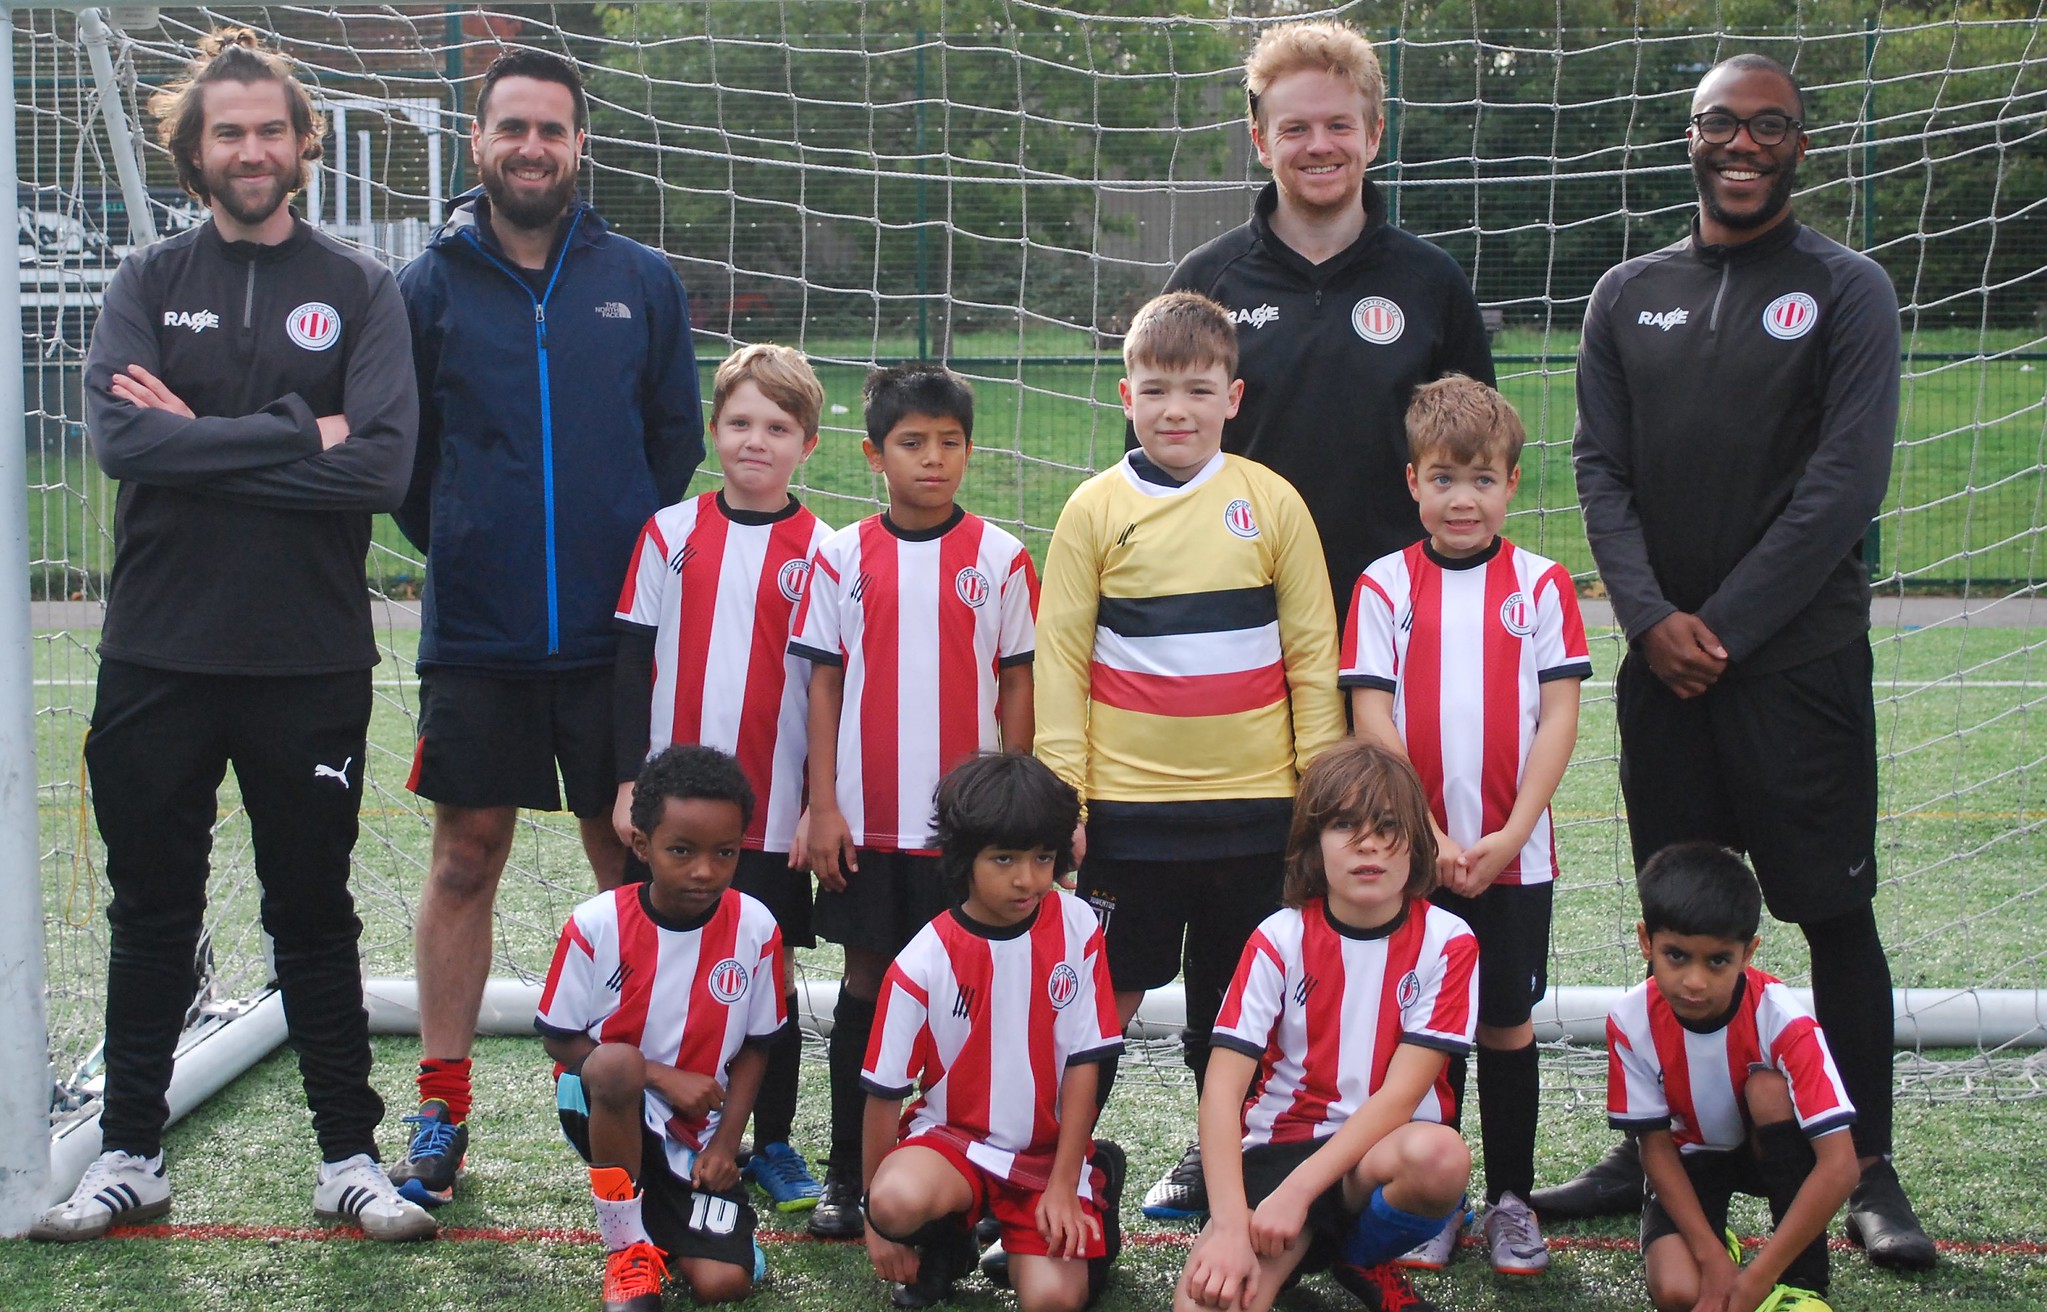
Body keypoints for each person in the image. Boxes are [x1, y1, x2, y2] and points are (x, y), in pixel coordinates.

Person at [31, 29, 433, 1243]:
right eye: (228, 132)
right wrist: (292, 433)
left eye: (271, 129)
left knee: (310, 909)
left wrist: (213, 440)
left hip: (308, 658)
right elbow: (122, 445)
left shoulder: (361, 287)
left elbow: (381, 464)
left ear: (304, 141)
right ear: (193, 150)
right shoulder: (145, 281)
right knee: (152, 909)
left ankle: (346, 1157)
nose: (251, 150)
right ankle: (133, 1154)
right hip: (156, 648)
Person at [1554, 52, 1934, 1270]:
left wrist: (1720, 629)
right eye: (1721, 123)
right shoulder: (1625, 292)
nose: (1742, 144)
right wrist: (1649, 619)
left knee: (1830, 911)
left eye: (1768, 127)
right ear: (1690, 137)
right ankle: (1653, 1143)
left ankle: (1862, 1161)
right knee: (1680, 914)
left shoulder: (1848, 288)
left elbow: (1844, 484)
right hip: (1659, 666)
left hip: (1796, 667)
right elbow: (1597, 471)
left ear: (1798, 147)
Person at [391, 47, 704, 1205]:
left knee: (630, 863)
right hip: (478, 632)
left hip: (621, 638)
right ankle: (442, 1106)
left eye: (551, 130)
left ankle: (625, 1090)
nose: (531, 147)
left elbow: (672, 440)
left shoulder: (641, 280)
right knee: (465, 856)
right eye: (510, 127)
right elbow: (407, 466)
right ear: (479, 143)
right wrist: (474, 540)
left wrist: (616, 557)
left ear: (580, 145)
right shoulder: (424, 287)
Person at [1035, 291, 1343, 1221]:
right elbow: (1061, 658)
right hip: (1128, 816)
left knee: (1235, 1012)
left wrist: (1317, 794)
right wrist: (1066, 799)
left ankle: (1232, 1175)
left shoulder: (1270, 502)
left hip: (1257, 813)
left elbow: (1311, 656)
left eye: (1198, 389)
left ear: (1233, 397)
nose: (1178, 409)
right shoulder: (1093, 511)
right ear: (1124, 394)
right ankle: (1057, 1169)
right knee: (1103, 1003)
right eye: (1157, 389)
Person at [1342, 374, 1589, 1274]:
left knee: (1505, 1025)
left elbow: (1558, 715)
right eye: (1444, 478)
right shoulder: (1381, 586)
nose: (1462, 498)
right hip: (1416, 859)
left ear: (1512, 486)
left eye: (1482, 479)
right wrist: (1430, 840)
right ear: (1413, 482)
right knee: (1425, 1030)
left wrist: (1513, 832)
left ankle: (1511, 1200)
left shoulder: (1542, 584)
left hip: (1513, 859)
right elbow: (1372, 714)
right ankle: (1435, 1203)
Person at [788, 364, 1040, 1237]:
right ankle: (848, 1175)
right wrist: (821, 805)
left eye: (949, 443)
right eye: (912, 443)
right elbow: (822, 686)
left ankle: (973, 1160)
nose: (932, 460)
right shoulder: (840, 552)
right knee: (866, 982)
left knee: (972, 987)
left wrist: (1014, 815)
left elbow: (1016, 687)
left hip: (963, 834)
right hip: (866, 821)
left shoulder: (1002, 556)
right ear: (873, 454)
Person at [1160, 19, 1495, 619]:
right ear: (1261, 142)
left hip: (1400, 611)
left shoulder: (1431, 281)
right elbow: (1149, 454)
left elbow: (1480, 456)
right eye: (1295, 129)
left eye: (1339, 124)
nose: (1320, 145)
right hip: (1238, 607)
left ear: (1374, 135)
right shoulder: (1208, 280)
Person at [610, 343, 832, 1214]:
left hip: (772, 820)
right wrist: (628, 783)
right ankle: (651, 1131)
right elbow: (629, 668)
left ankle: (768, 1139)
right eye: (739, 422)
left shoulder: (825, 549)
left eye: (777, 427)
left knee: (765, 986)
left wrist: (819, 804)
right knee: (661, 971)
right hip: (667, 816)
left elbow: (829, 695)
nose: (755, 441)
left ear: (807, 442)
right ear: (713, 431)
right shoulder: (669, 532)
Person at [1174, 739, 1475, 1312]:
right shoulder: (1278, 938)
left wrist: (1300, 1195)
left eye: (1388, 826)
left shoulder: (1449, 942)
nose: (1368, 844)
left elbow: (1401, 1096)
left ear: (1418, 842)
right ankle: (1293, 1260)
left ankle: (1356, 1255)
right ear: (1313, 844)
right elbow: (1220, 1093)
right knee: (1204, 1305)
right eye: (1344, 825)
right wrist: (1233, 1226)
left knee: (1441, 1157)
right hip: (1281, 1149)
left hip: (1378, 1152)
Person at [860, 752, 1126, 1312]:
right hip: (955, 1143)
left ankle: (1097, 1179)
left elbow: (1085, 1060)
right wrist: (877, 1222)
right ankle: (946, 1244)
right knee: (894, 1199)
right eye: (1003, 858)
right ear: (964, 858)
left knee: (1055, 1300)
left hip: (1046, 1156)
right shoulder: (922, 962)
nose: (1027, 878)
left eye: (1042, 857)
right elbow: (884, 1097)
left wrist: (1063, 1181)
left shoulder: (1077, 926)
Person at [537, 745, 783, 1310]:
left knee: (724, 1285)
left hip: (698, 1125)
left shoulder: (755, 927)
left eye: (724, 852)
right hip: (605, 1097)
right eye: (682, 851)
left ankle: (675, 1230)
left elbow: (756, 1047)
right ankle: (625, 1251)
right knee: (620, 1064)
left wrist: (726, 1143)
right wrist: (662, 1075)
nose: (704, 870)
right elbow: (558, 1036)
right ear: (643, 846)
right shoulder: (597, 924)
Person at [1610, 843, 1861, 1312]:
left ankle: (1800, 1282)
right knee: (1678, 1293)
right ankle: (1714, 1240)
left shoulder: (1782, 1018)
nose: (1695, 981)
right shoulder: (1629, 1021)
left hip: (1768, 1152)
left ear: (1748, 953)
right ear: (1646, 942)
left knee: (1767, 1089)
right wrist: (1713, 1262)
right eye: (1677, 956)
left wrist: (1752, 1285)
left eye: (1717, 961)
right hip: (1691, 1162)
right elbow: (1655, 1149)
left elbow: (1840, 1165)